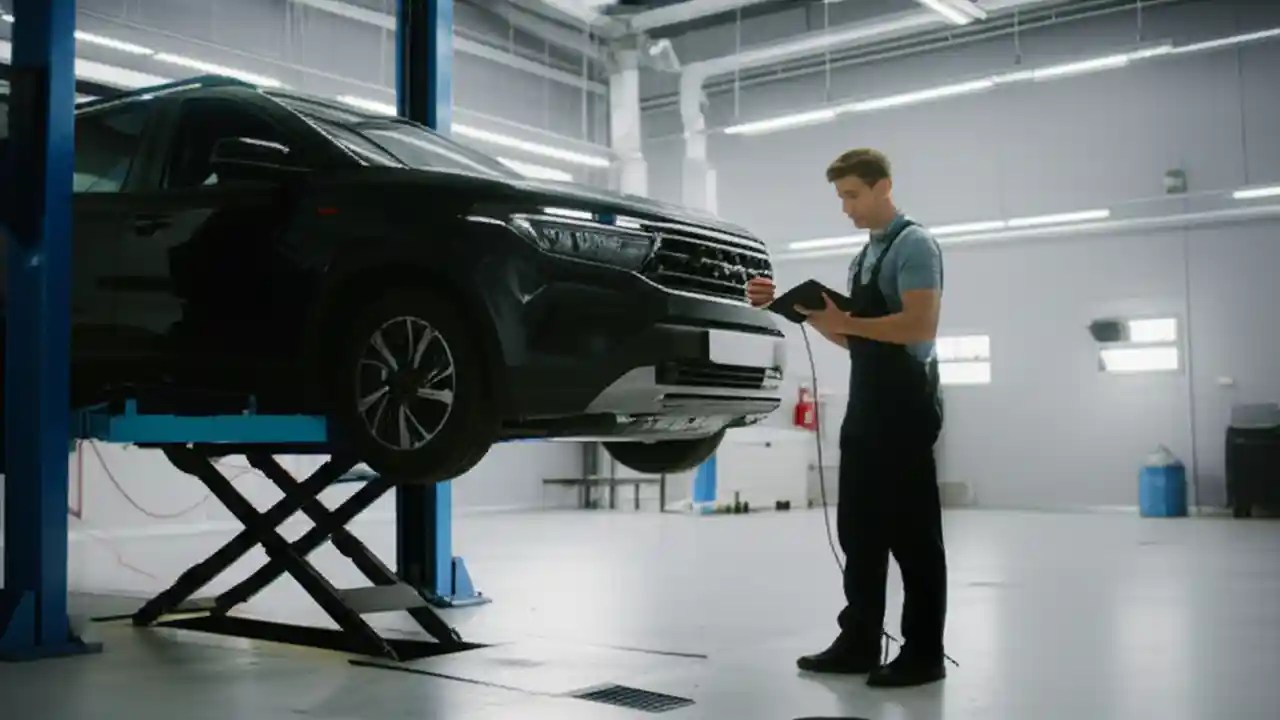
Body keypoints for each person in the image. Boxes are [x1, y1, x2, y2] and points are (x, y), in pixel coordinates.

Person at [746, 148, 947, 688]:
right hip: (866, 407)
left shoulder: (915, 246)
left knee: (913, 538)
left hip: (904, 408)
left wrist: (845, 320)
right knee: (860, 532)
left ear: (883, 187)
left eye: (853, 195)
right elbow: (853, 338)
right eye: (841, 198)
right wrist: (801, 313)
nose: (846, 208)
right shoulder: (863, 258)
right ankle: (859, 641)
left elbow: (919, 326)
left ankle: (924, 653)